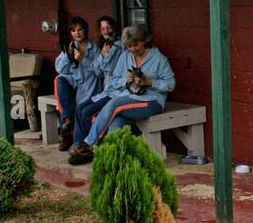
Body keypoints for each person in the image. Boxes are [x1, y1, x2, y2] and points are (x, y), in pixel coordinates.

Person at [67, 24, 175, 164]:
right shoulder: (126, 56)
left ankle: (88, 143)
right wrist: (126, 80)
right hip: (128, 98)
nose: (132, 49)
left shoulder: (159, 59)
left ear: (144, 41)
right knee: (116, 124)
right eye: (129, 46)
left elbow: (171, 84)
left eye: (135, 45)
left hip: (152, 101)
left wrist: (149, 82)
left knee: (114, 105)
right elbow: (114, 80)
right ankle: (110, 159)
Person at [53, 16, 120, 152]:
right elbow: (60, 69)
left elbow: (99, 72)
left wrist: (83, 59)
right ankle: (67, 121)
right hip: (73, 85)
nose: (77, 33)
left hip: (89, 86)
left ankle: (73, 137)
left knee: (81, 108)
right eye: (73, 31)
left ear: (86, 31)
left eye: (80, 30)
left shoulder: (95, 48)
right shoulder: (70, 47)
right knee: (60, 79)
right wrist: (68, 56)